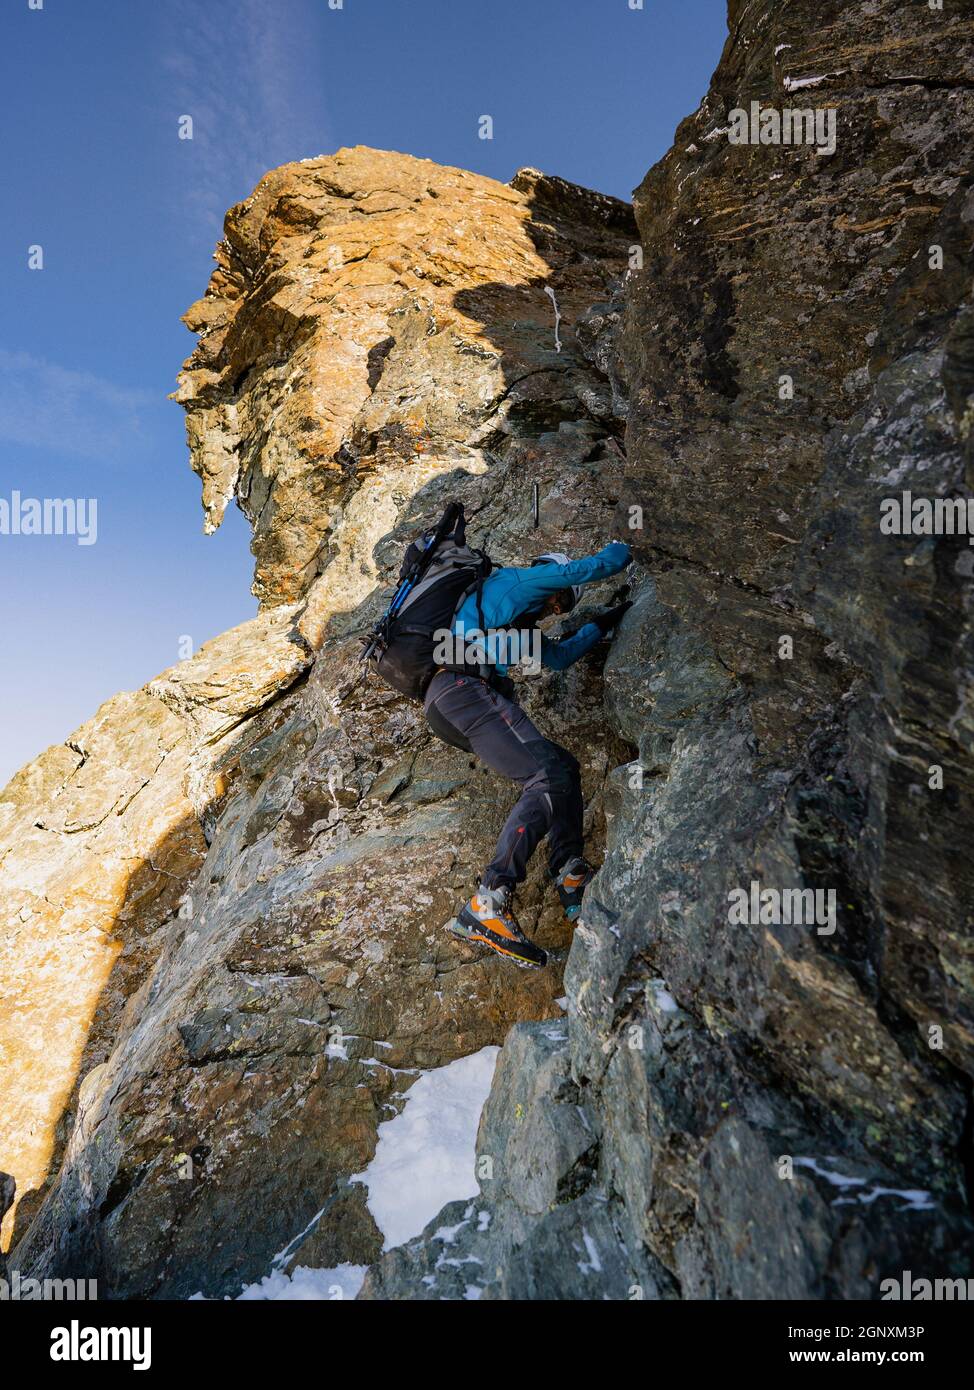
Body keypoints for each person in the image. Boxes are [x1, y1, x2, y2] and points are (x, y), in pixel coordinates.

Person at [425, 542, 633, 968]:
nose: (555, 610)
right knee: (545, 778)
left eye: (562, 608)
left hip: (450, 702)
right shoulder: (516, 581)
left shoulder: (515, 628)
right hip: (463, 691)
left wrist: (602, 624)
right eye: (559, 601)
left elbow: (558, 657)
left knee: (561, 768)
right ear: (547, 575)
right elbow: (587, 569)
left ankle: (570, 871)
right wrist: (631, 544)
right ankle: (489, 900)